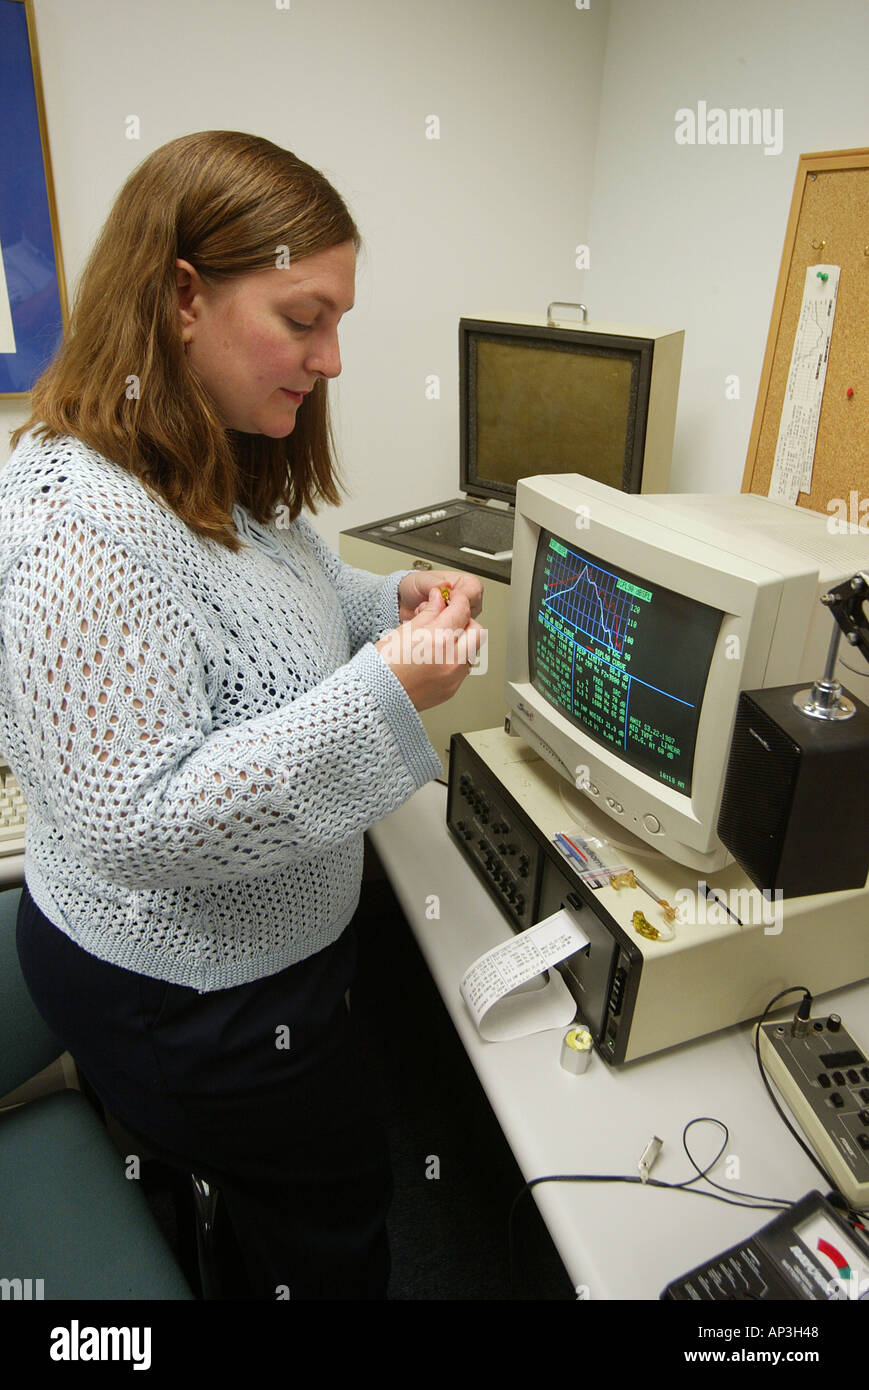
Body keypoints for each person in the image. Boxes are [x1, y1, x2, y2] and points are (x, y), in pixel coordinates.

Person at [0, 130, 484, 1300]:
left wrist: (386, 605)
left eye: (339, 322)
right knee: (333, 1218)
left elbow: (279, 601)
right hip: (192, 995)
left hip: (257, 968)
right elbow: (140, 818)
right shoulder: (76, 521)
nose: (330, 358)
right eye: (301, 318)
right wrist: (389, 693)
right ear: (181, 298)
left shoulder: (214, 448)